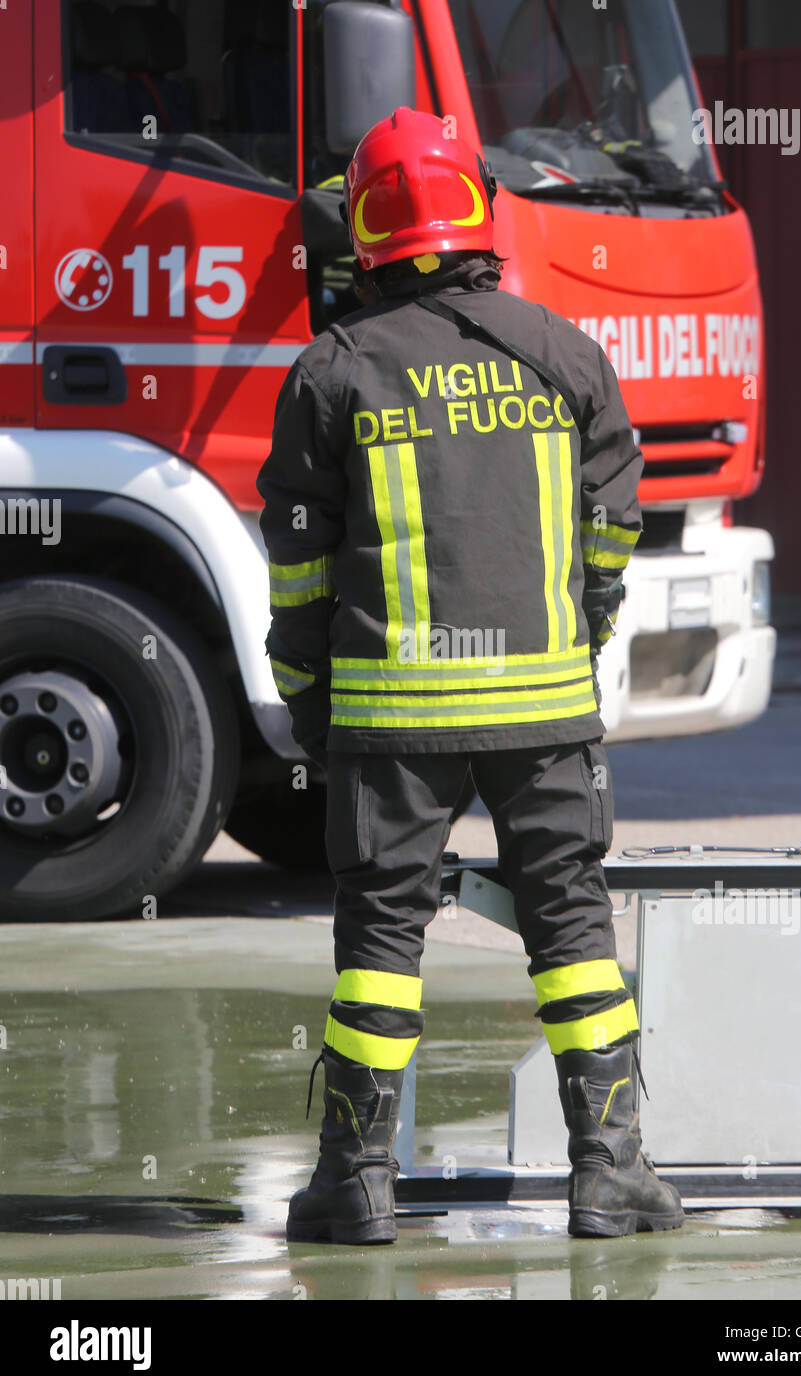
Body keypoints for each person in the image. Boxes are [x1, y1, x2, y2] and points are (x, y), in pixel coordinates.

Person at [257, 106, 683, 1244]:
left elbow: (297, 567)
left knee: (381, 945)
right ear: (480, 216)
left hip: (389, 721)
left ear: (367, 234)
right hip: (541, 710)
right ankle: (609, 1172)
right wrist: (574, 640)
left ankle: (354, 1182)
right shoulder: (564, 355)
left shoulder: (330, 371)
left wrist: (307, 698)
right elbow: (611, 528)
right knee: (570, 928)